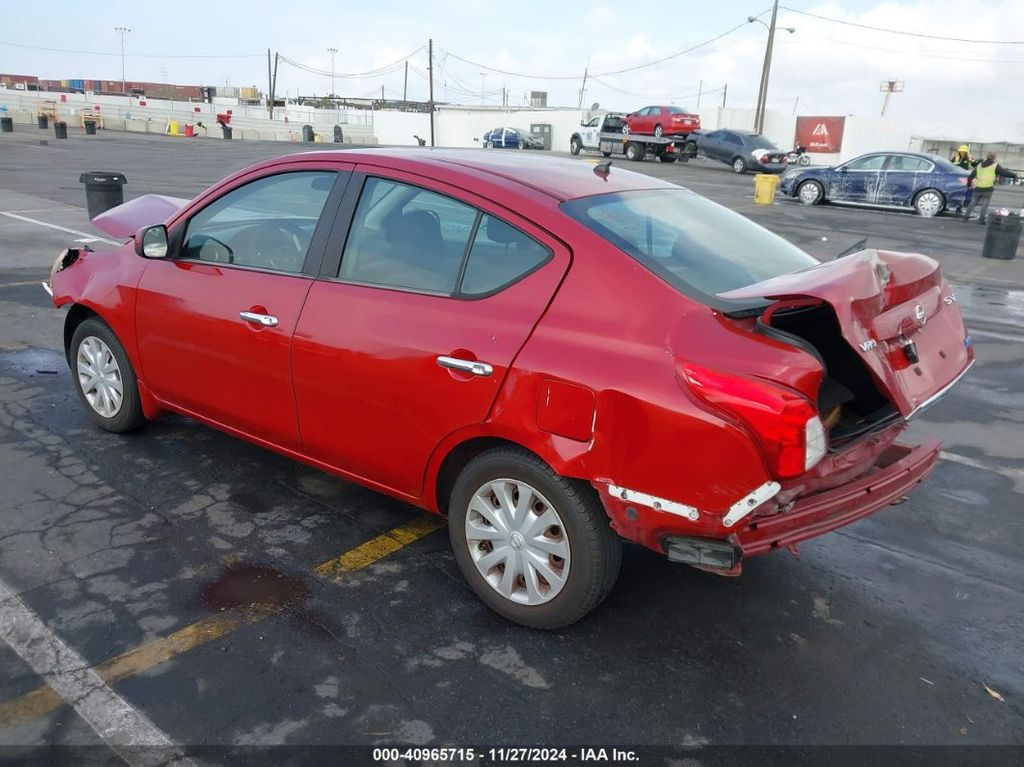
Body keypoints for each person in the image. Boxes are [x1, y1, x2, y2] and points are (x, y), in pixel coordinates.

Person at [963, 153, 1019, 224]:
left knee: (972, 203)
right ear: (994, 158)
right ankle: (981, 220)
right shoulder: (995, 165)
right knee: (984, 205)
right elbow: (1004, 172)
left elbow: (971, 177)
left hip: (978, 187)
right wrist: (1014, 175)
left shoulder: (979, 165)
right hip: (988, 188)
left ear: (987, 157)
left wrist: (968, 185)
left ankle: (965, 218)